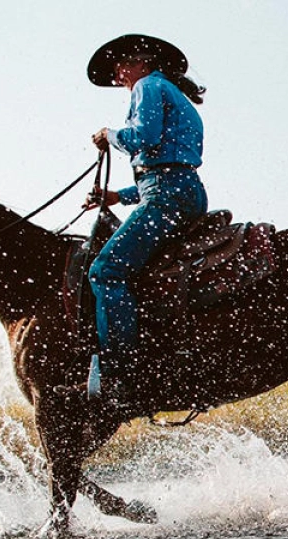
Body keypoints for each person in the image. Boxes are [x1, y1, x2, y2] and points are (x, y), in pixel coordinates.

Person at [84, 34, 209, 402]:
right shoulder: (170, 92)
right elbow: (165, 169)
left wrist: (110, 135)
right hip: (182, 192)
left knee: (105, 270)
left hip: (167, 196)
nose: (119, 73)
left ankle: (120, 373)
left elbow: (144, 137)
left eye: (123, 65)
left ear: (143, 62)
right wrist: (117, 197)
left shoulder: (148, 86)